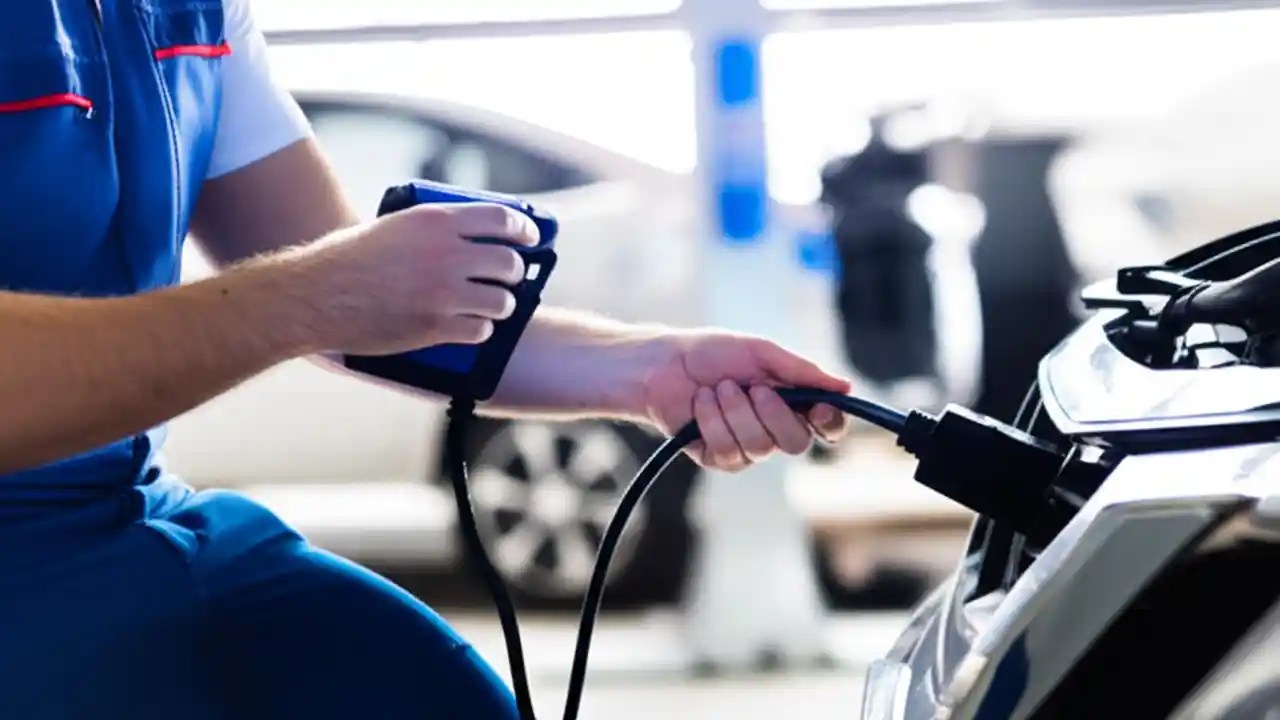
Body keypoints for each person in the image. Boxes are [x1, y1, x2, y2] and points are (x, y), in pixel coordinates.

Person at [0, 0, 851, 718]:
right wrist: (315, 293)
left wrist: (646, 370)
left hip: (136, 524)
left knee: (431, 691)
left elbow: (355, 291)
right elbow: (323, 289)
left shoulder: (193, 13)